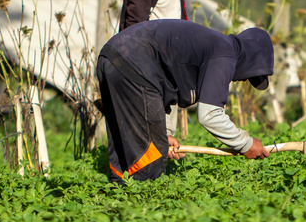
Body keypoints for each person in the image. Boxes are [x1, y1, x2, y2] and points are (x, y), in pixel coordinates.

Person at [96, 19, 274, 183]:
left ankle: (116, 200)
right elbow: (210, 115)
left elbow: (169, 90)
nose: (243, 80)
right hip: (135, 62)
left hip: (111, 55)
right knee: (149, 160)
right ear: (250, 60)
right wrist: (246, 144)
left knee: (122, 148)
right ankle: (141, 205)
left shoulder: (212, 45)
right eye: (250, 76)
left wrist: (164, 134)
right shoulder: (224, 54)